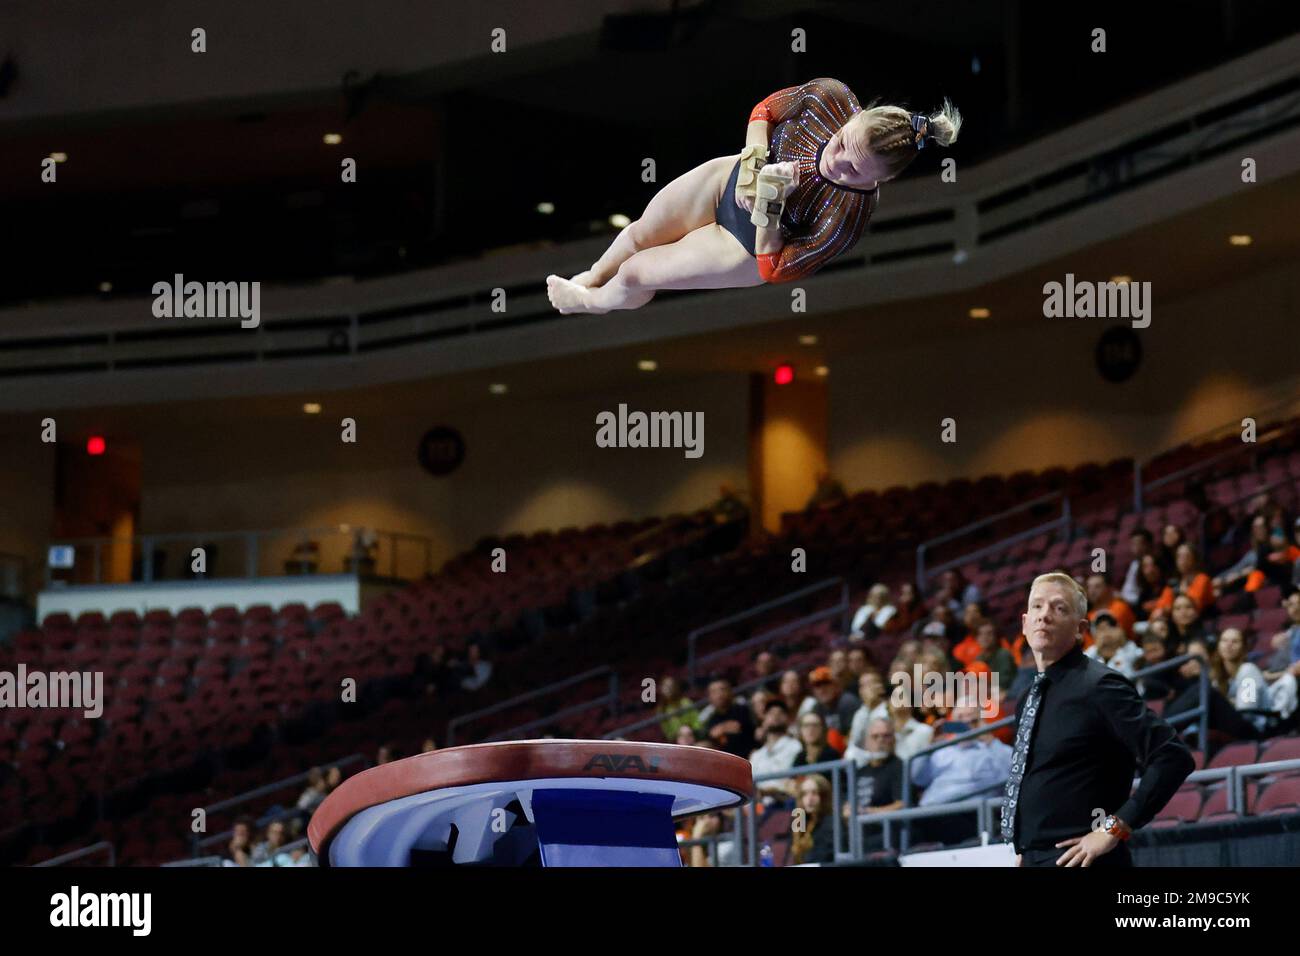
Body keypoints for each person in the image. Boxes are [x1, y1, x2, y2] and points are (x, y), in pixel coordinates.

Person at [545, 78, 961, 314]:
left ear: (879, 181)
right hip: (731, 177)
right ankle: (591, 276)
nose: (837, 164)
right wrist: (756, 160)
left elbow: (773, 268)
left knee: (638, 272)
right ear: (853, 118)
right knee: (640, 233)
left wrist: (771, 203)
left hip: (744, 247)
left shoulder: (846, 219)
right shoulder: (830, 97)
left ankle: (590, 302)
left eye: (854, 170)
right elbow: (765, 110)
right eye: (840, 144)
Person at [1002, 572, 1194, 867]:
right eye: (1037, 607)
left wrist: (1114, 828)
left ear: (1080, 629)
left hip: (1083, 860)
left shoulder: (1101, 686)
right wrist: (1025, 848)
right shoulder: (1028, 696)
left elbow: (1172, 756)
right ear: (1025, 623)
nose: (1044, 616)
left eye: (1059, 608)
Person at [749, 700, 802, 801]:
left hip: (785, 804)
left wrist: (769, 791)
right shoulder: (756, 755)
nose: (776, 716)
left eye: (780, 713)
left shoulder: (795, 746)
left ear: (788, 719)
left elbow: (793, 784)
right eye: (771, 713)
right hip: (757, 808)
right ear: (763, 719)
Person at [805, 665, 861, 751]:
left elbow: (855, 734)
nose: (822, 690)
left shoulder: (848, 702)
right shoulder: (816, 708)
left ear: (836, 685)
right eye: (817, 686)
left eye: (826, 684)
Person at [789, 774, 836, 865]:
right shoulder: (799, 820)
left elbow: (821, 858)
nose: (809, 799)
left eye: (814, 793)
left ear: (824, 796)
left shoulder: (832, 823)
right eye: (805, 794)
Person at [702, 677, 756, 757]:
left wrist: (721, 729)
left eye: (722, 689)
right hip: (722, 762)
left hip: (748, 759)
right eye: (714, 692)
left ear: (730, 691)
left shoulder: (743, 710)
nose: (719, 695)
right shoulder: (710, 721)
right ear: (709, 697)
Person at [1083, 612, 1143, 680]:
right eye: (1101, 629)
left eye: (1110, 627)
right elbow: (1082, 664)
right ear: (1095, 634)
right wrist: (1098, 646)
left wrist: (1122, 639)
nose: (1106, 632)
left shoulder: (1129, 647)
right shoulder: (1092, 652)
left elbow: (1139, 655)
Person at [1085, 574, 1136, 640]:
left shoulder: (1120, 607)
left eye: (1097, 586)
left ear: (1109, 589)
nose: (1092, 591)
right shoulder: (1087, 615)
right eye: (1089, 587)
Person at [847, 670, 890, 748]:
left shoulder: (890, 709)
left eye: (869, 684)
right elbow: (854, 743)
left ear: (881, 688)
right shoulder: (859, 714)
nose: (866, 689)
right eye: (862, 686)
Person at [656, 675, 701, 742]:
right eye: (665, 686)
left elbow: (696, 723)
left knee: (685, 730)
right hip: (675, 741)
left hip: (692, 736)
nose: (667, 689)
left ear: (675, 687)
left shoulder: (685, 702)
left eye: (670, 686)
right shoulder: (661, 709)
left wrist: (689, 731)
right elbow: (668, 733)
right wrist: (677, 735)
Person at [1120, 529, 1155, 605]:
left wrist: (1123, 598)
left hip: (1138, 604)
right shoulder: (1134, 563)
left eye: (1139, 543)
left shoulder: (1153, 562)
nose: (1136, 547)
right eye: (1133, 544)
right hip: (1126, 601)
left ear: (1148, 544)